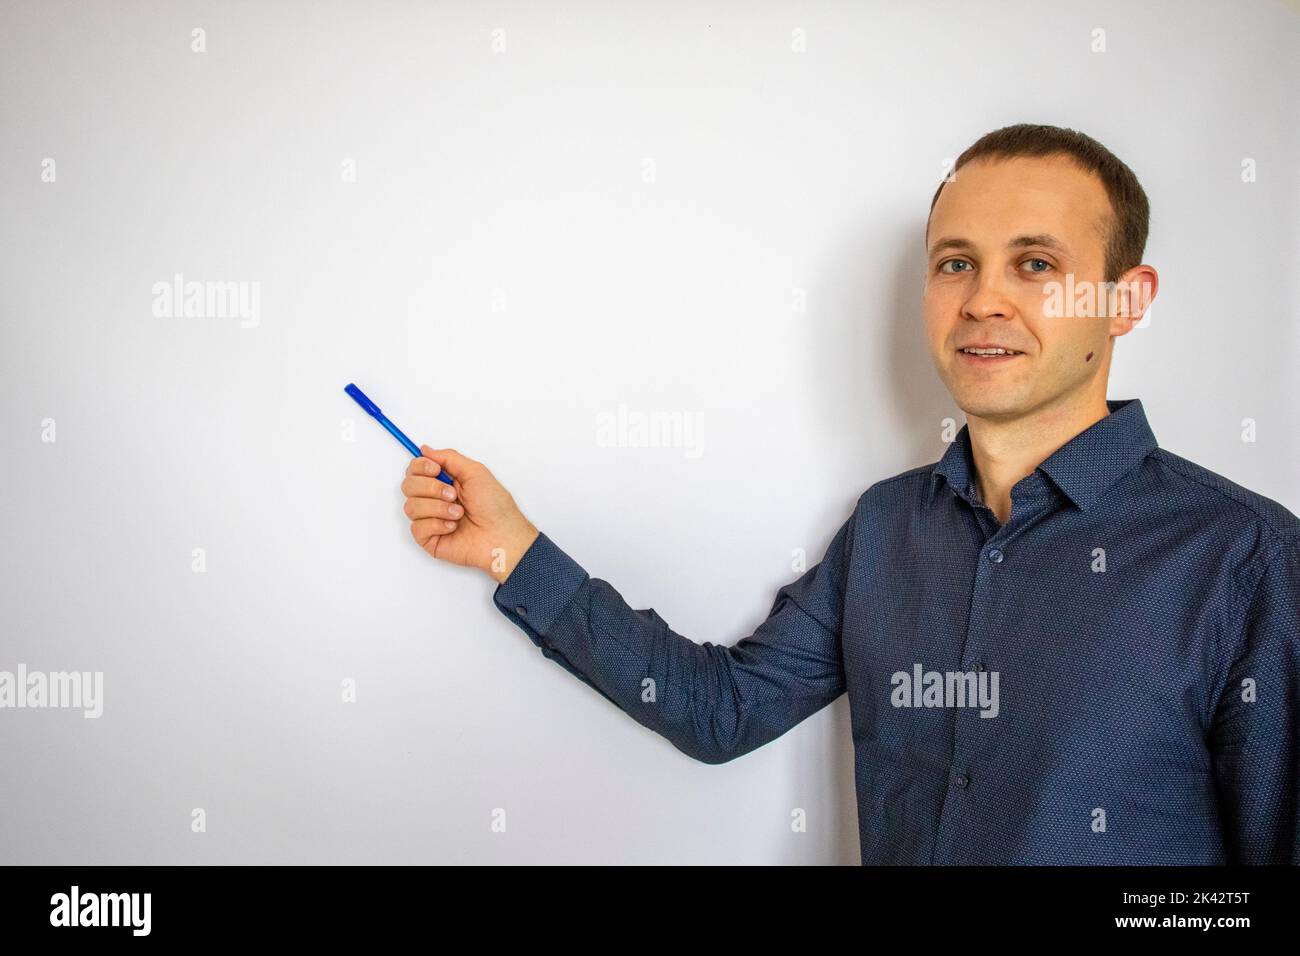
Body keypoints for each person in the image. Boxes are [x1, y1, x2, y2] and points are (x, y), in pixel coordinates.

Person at [398, 124, 1299, 864]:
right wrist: (509, 547)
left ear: (1125, 299)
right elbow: (723, 710)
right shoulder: (887, 526)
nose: (984, 299)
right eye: (956, 263)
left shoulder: (1244, 557)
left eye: (1034, 265)